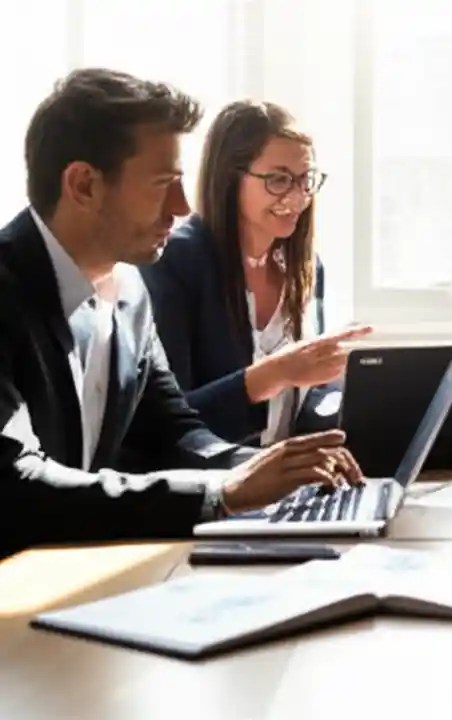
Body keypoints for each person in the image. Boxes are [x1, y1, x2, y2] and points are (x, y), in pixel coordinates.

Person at [0, 68, 360, 559]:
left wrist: (271, 469)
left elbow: (173, 430)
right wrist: (221, 494)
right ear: (83, 184)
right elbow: (14, 485)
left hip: (68, 566)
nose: (183, 205)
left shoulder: (127, 294)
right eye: (163, 183)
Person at [141, 101, 370, 446]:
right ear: (231, 177)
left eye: (304, 179)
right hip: (218, 485)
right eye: (278, 179)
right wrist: (275, 374)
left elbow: (315, 398)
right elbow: (166, 425)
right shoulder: (176, 263)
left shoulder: (305, 266)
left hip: (290, 483)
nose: (296, 198)